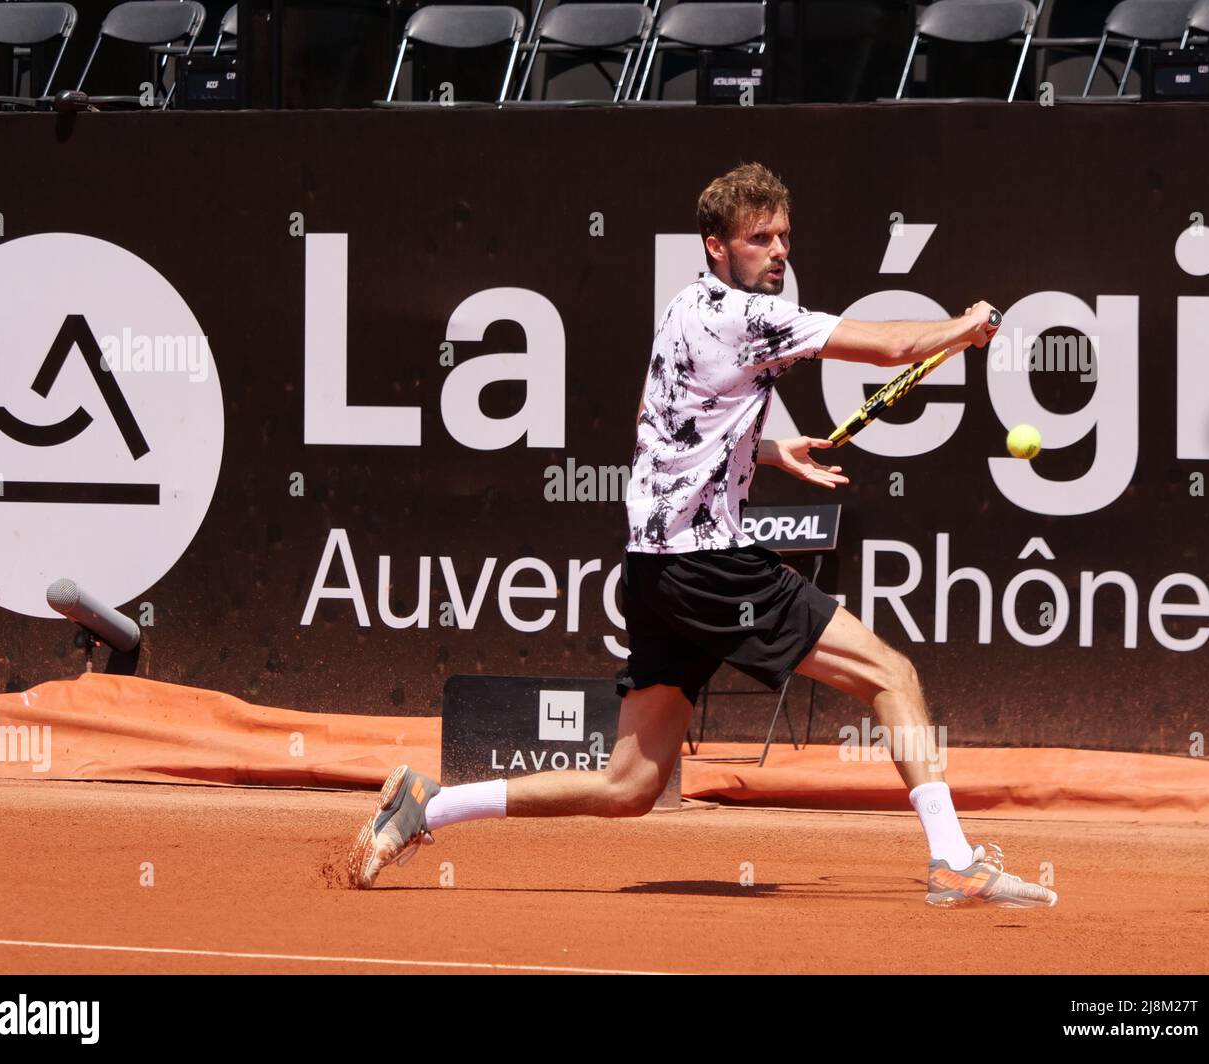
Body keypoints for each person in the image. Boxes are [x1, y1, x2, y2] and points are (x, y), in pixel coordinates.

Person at [347, 162, 1057, 908]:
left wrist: (769, 450)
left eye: (784, 236)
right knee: (891, 675)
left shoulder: (685, 309)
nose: (778, 251)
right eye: (759, 239)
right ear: (717, 245)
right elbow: (886, 347)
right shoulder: (754, 318)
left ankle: (428, 806)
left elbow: (659, 425)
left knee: (630, 785)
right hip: (711, 566)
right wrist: (962, 328)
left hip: (654, 570)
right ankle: (953, 859)